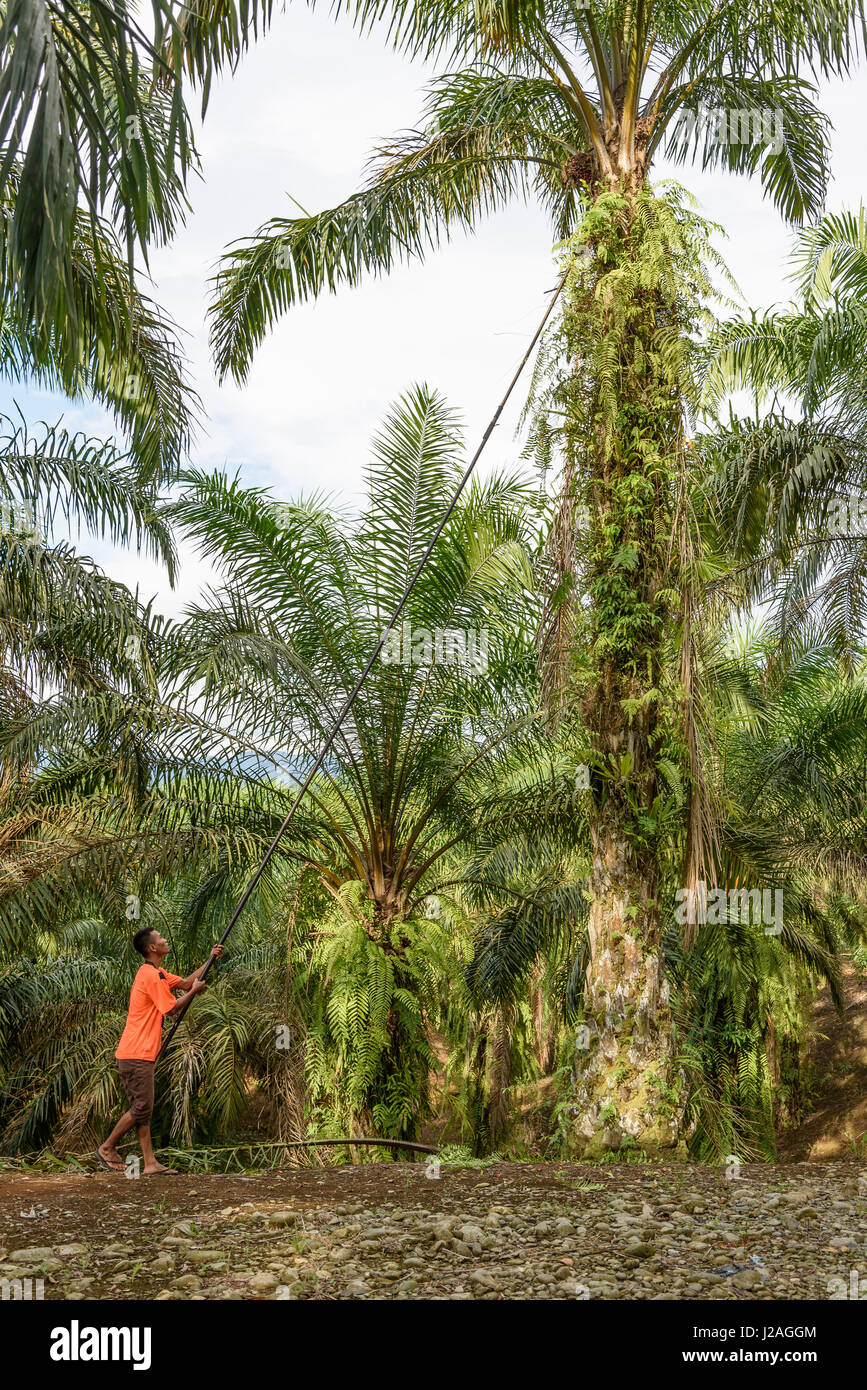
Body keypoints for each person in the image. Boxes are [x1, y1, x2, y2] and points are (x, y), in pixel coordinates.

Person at [96, 928, 225, 1175]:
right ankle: (107, 1147)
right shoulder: (151, 976)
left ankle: (150, 1163)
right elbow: (171, 1008)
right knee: (142, 1108)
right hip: (136, 1053)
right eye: (160, 938)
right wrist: (193, 993)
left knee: (142, 1110)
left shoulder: (157, 973)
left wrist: (211, 959)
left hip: (138, 1053)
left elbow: (187, 982)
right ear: (152, 948)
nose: (165, 939)